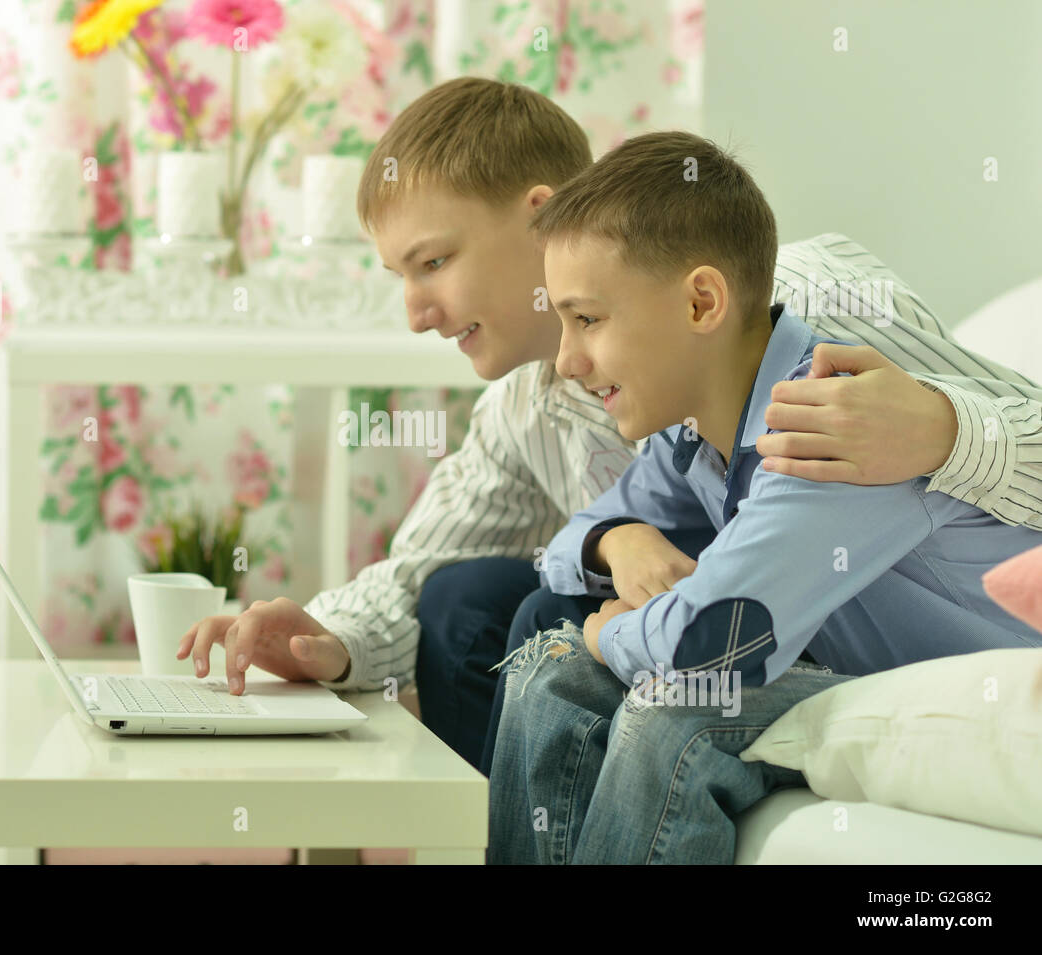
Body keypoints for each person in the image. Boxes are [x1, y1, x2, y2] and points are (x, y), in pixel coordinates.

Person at [175, 78, 1042, 777]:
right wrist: (326, 640)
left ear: (541, 216)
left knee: (555, 623)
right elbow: (420, 569)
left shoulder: (810, 310)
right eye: (400, 275)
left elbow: (1015, 440)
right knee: (469, 597)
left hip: (790, 631)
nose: (414, 312)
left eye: (433, 262)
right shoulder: (526, 409)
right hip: (705, 633)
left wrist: (944, 429)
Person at [486, 129, 1042, 864]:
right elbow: (570, 541)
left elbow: (710, 646)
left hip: (980, 691)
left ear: (702, 302)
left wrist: (604, 631)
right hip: (854, 673)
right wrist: (617, 539)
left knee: (661, 704)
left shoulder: (828, 427)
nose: (565, 360)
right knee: (546, 669)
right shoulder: (692, 436)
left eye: (587, 319)